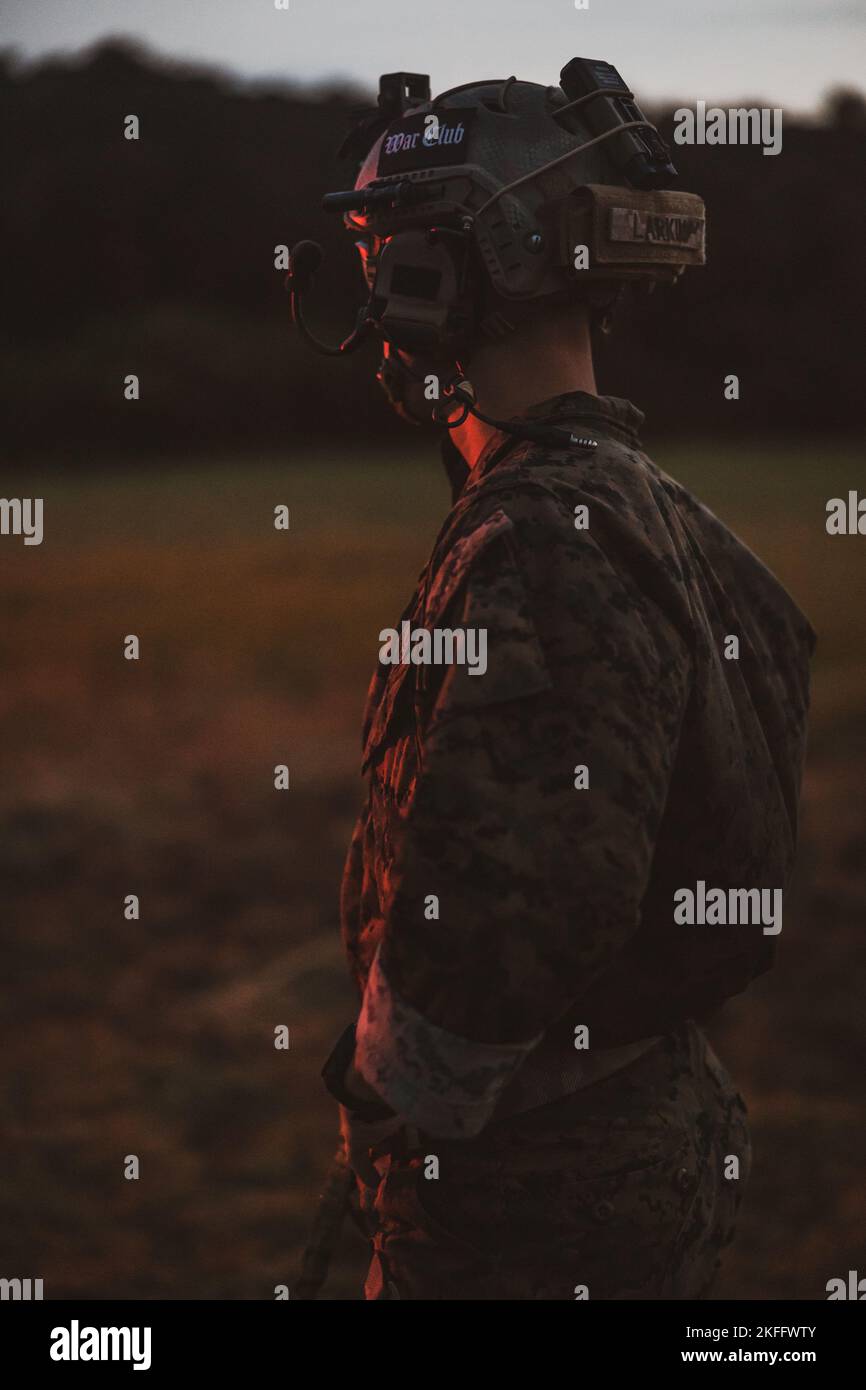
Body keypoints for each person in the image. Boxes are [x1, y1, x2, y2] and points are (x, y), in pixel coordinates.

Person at [312, 60, 815, 1300]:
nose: (374, 296)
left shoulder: (539, 537)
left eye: (389, 254)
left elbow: (531, 902)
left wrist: (392, 1109)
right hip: (632, 1116)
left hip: (528, 1183)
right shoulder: (671, 516)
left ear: (457, 264)